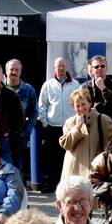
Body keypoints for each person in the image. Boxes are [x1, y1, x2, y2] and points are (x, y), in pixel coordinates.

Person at [37, 57, 80, 193]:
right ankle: (50, 184)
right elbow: (42, 105)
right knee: (51, 158)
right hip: (52, 127)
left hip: (70, 128)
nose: (60, 68)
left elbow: (79, 104)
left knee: (68, 158)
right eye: (58, 66)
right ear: (54, 68)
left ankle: (67, 186)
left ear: (66, 67)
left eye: (62, 66)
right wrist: (45, 123)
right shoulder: (48, 85)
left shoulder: (75, 85)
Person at [60, 87, 112, 183]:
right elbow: (66, 145)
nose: (81, 108)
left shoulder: (102, 119)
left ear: (90, 103)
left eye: (83, 104)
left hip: (96, 171)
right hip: (74, 171)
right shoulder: (70, 122)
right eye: (77, 106)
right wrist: (77, 128)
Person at [4, 59, 37, 179]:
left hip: (19, 134)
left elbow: (34, 112)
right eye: (11, 69)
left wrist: (26, 131)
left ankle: (18, 192)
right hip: (0, 134)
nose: (14, 72)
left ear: (21, 71)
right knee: (1, 165)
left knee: (17, 166)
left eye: (17, 69)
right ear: (6, 71)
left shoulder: (28, 90)